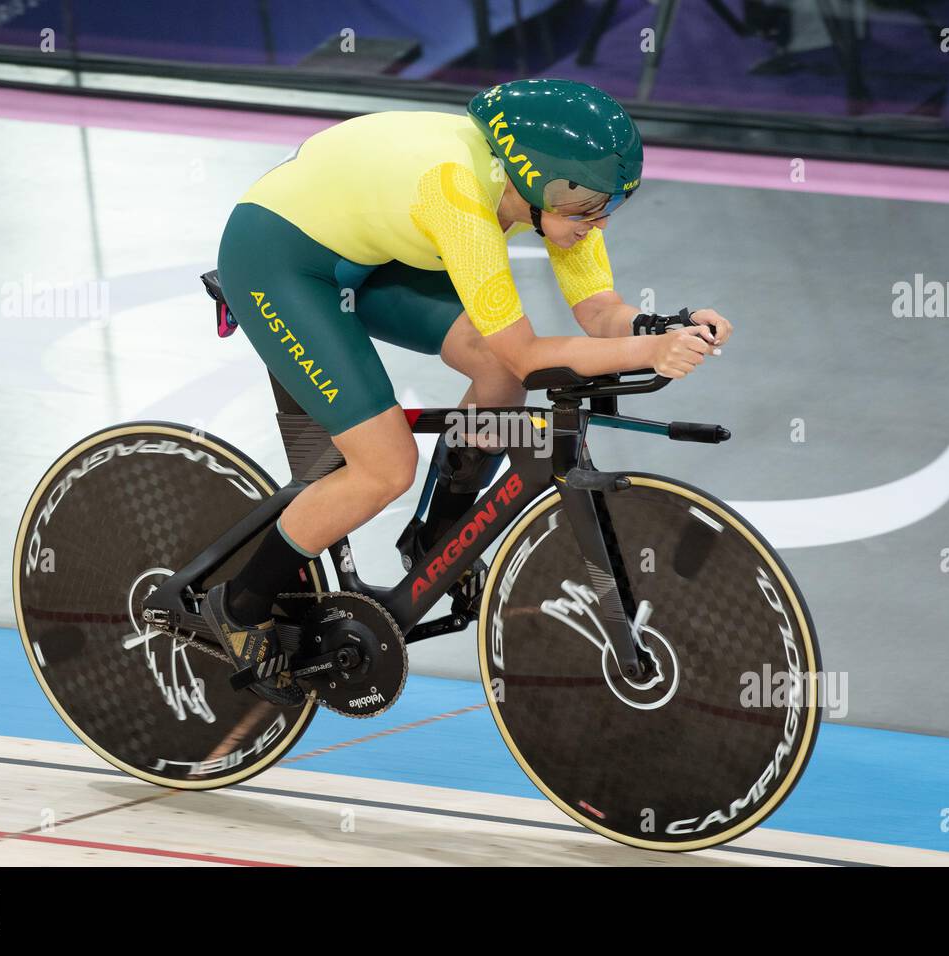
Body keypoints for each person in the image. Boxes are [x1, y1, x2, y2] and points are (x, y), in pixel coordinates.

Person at [205, 78, 733, 704]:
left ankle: (439, 539)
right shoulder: (457, 193)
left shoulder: (557, 203)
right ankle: (239, 604)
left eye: (609, 205)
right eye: (587, 205)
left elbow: (600, 312)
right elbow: (532, 355)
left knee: (496, 374)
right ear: (536, 183)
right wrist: (647, 353)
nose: (598, 222)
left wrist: (660, 326)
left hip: (371, 255)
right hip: (280, 258)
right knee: (385, 465)